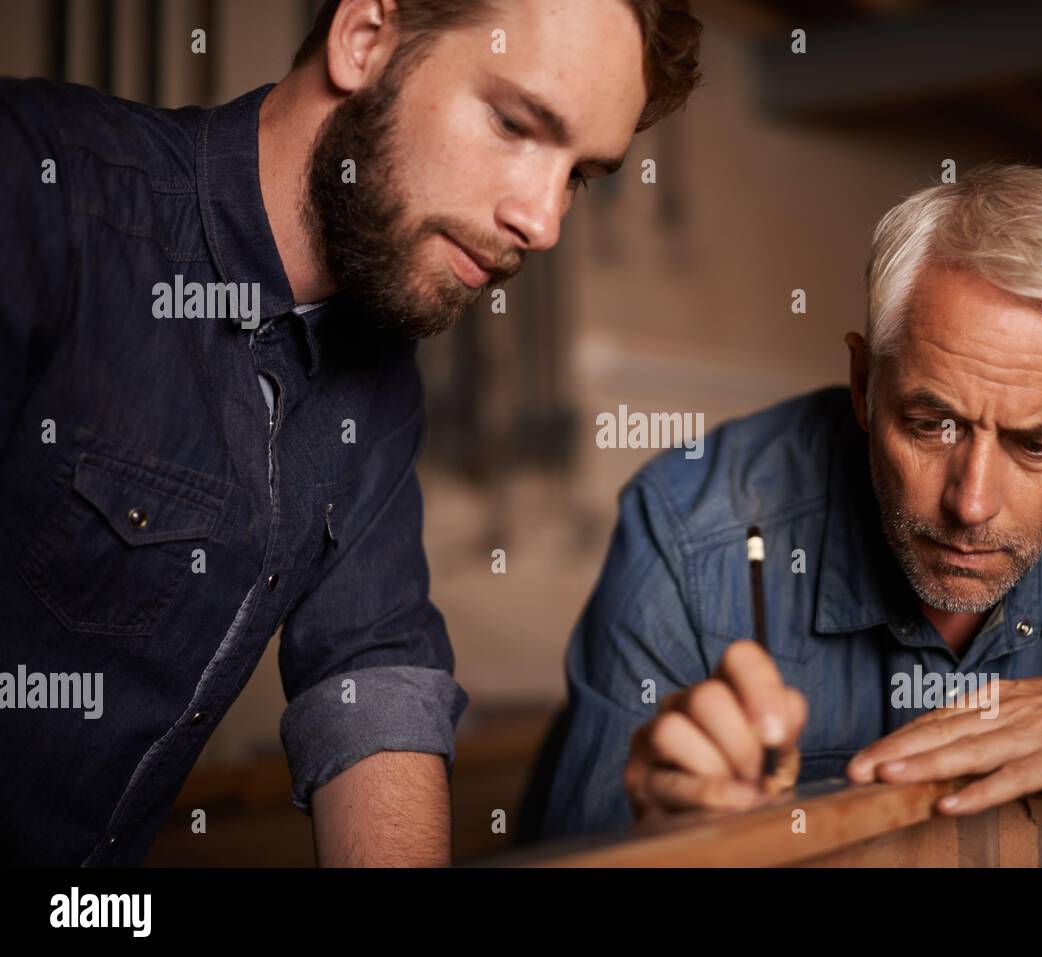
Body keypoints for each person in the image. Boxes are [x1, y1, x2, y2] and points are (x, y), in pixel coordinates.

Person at [0, 0, 701, 866]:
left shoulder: (377, 375)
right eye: (516, 123)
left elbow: (370, 672)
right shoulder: (38, 193)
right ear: (364, 39)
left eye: (581, 175)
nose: (544, 221)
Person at [531, 163, 1042, 838]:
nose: (970, 503)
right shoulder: (692, 530)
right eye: (932, 424)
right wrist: (668, 843)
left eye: (1037, 445)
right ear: (866, 385)